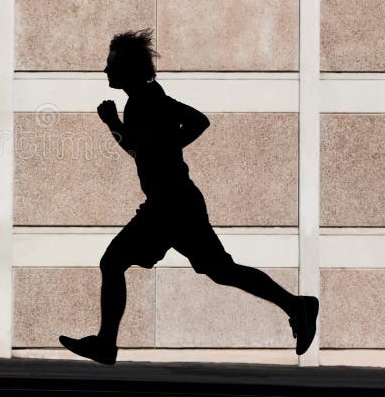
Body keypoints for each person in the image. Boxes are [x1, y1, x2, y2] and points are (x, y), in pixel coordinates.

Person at [58, 28, 319, 365]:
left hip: (171, 206)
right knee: (222, 271)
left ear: (130, 68)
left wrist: (123, 129)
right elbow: (166, 137)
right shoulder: (144, 100)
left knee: (113, 262)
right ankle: (297, 305)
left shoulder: (145, 102)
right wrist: (147, 140)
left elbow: (170, 135)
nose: (105, 70)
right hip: (176, 204)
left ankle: (107, 343)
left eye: (111, 64)